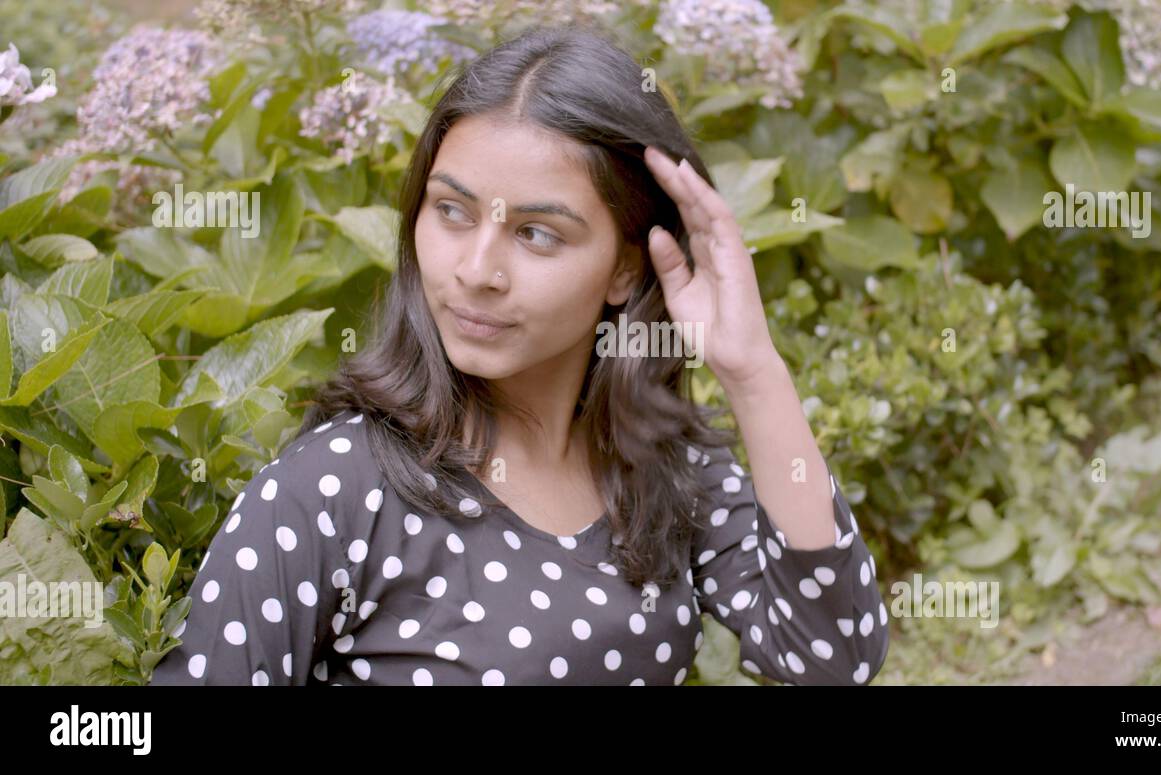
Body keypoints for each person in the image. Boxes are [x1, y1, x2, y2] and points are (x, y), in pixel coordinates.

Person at [150, 23, 889, 686]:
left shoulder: (661, 468)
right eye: (451, 210)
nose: (476, 269)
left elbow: (830, 655)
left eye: (537, 233)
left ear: (628, 268)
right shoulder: (336, 488)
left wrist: (753, 372)